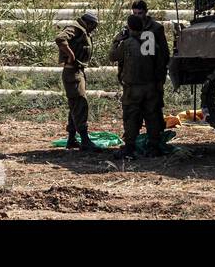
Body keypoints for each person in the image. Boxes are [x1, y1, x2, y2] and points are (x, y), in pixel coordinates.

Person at [109, 14, 161, 161]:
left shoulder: (127, 43)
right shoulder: (149, 40)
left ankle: (129, 147)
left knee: (131, 117)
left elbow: (113, 56)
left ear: (130, 27)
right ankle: (154, 147)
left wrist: (117, 40)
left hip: (133, 88)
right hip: (150, 86)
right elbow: (158, 59)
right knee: (152, 117)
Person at [55, 10, 100, 151]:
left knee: (75, 104)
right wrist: (71, 55)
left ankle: (71, 138)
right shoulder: (75, 28)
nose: (94, 29)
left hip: (78, 71)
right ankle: (85, 140)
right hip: (73, 72)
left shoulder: (81, 29)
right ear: (88, 22)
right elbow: (60, 39)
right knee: (80, 103)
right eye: (93, 25)